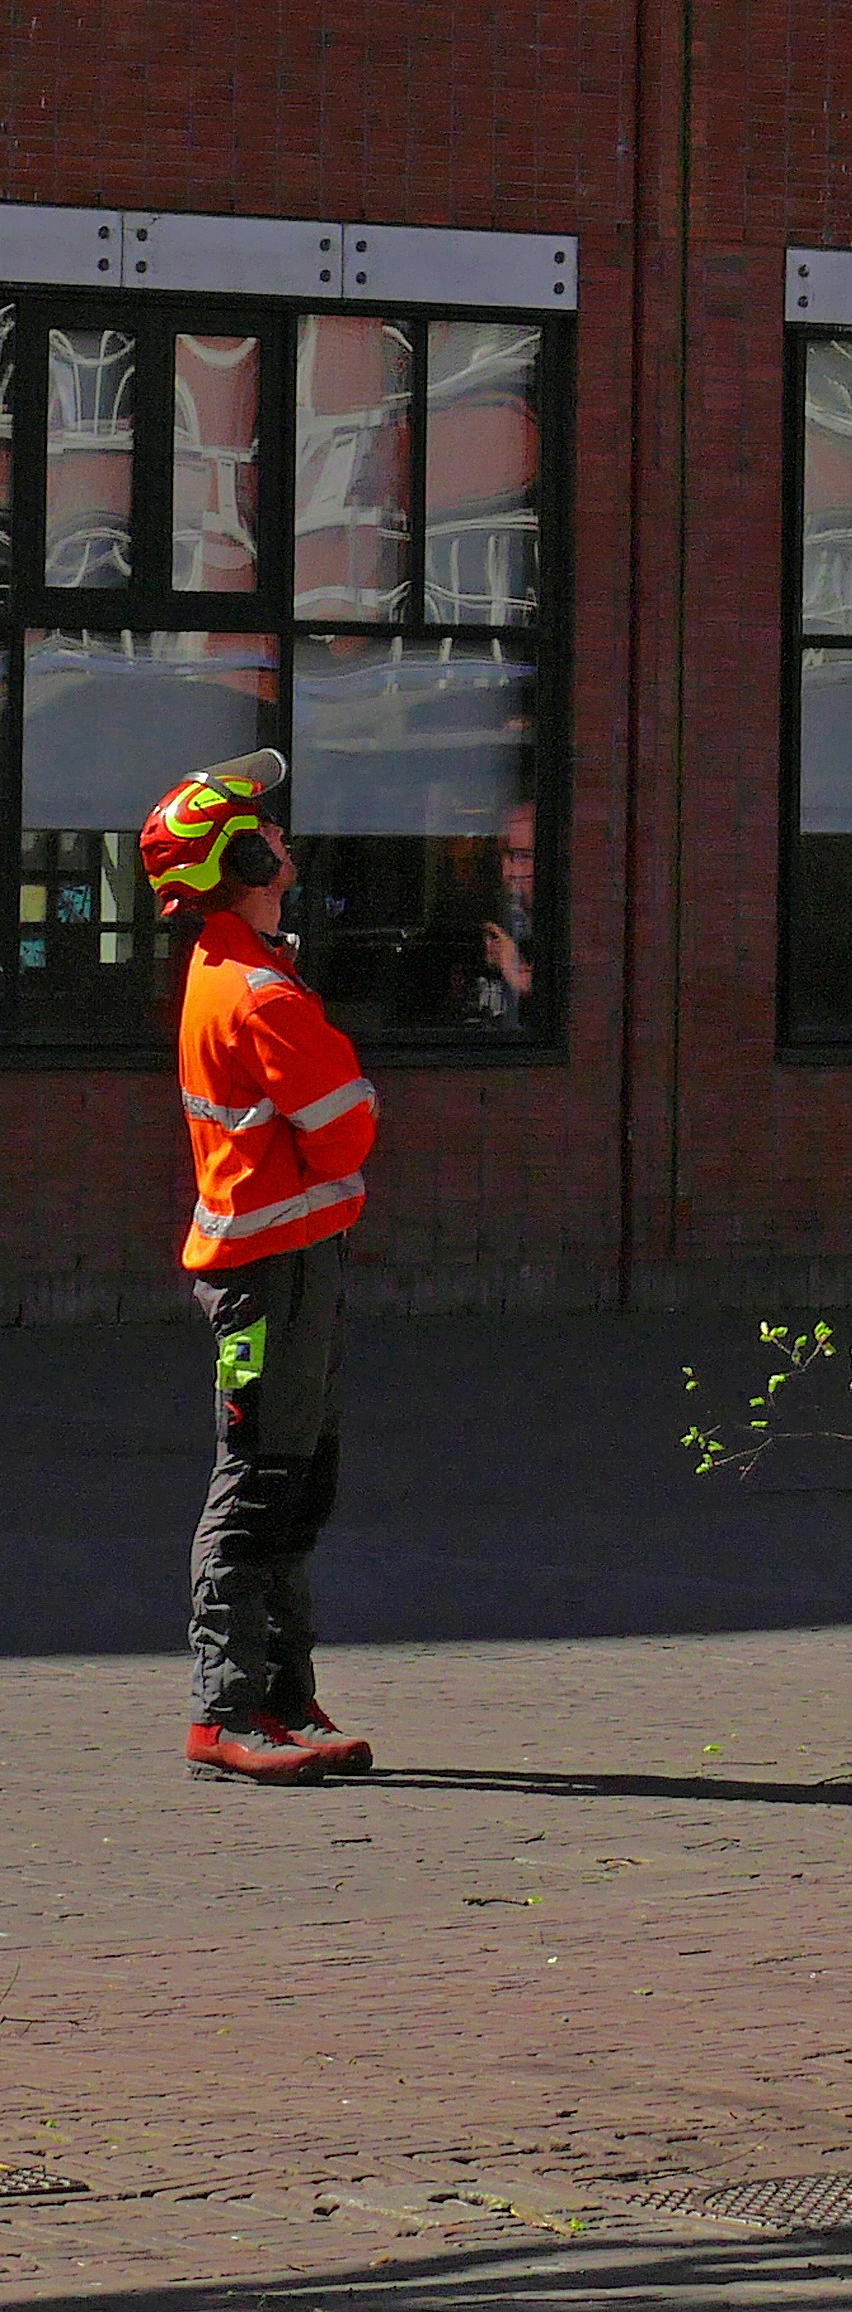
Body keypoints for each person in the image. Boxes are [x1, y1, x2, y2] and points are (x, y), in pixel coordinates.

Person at [142, 754, 378, 1785]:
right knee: (260, 1481)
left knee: (296, 1481)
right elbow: (347, 1129)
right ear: (238, 857)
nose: (279, 834)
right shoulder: (261, 993)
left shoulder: (237, 967)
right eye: (262, 826)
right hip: (271, 1272)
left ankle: (282, 1697)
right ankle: (227, 1710)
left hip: (287, 1266)